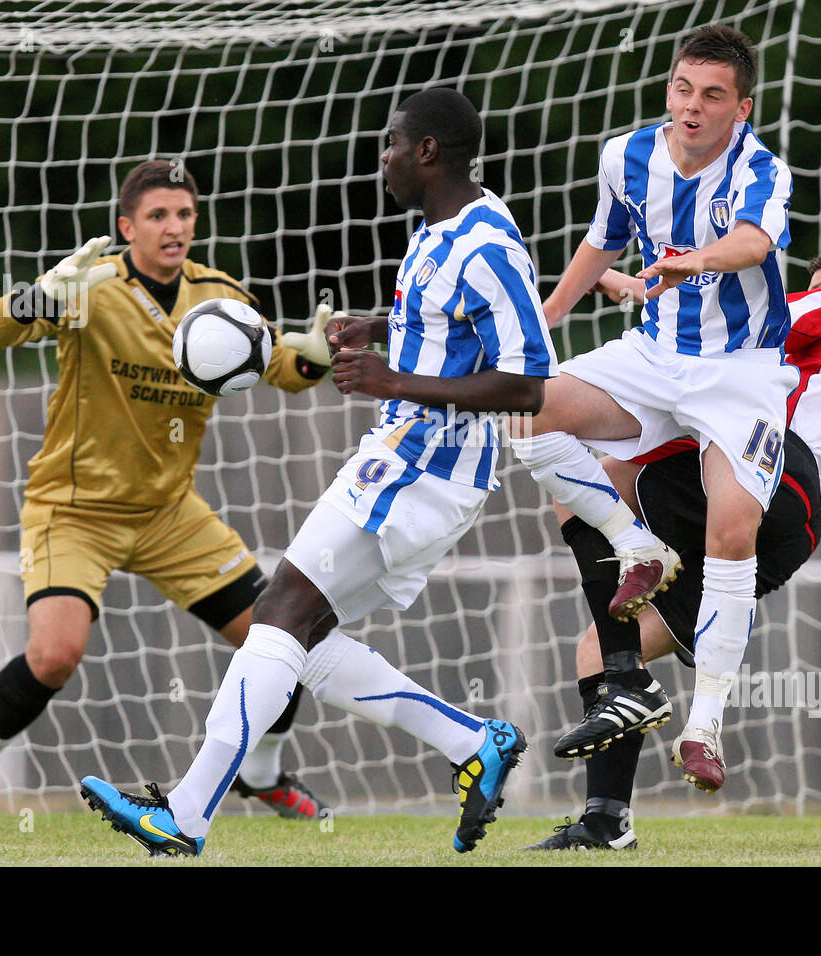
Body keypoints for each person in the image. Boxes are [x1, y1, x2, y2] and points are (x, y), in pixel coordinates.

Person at [78, 87, 559, 856]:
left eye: (392, 143)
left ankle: (186, 814)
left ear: (428, 151)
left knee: (277, 615)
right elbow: (450, 334)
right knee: (302, 631)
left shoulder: (488, 245)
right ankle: (473, 743)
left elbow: (529, 384)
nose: (385, 157)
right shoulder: (439, 231)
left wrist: (392, 381)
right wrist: (379, 328)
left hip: (419, 471)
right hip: (409, 466)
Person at [0, 160, 333, 820]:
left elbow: (283, 366)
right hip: (74, 507)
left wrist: (313, 353)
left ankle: (260, 774)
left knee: (283, 637)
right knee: (56, 654)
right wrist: (39, 296)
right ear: (127, 227)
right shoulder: (89, 287)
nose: (174, 228)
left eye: (184, 216)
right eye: (157, 216)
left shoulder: (221, 296)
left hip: (169, 512)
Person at [524, 244, 821, 849]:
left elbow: (728, 322)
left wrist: (631, 284)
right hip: (792, 534)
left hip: (764, 467)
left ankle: (637, 561)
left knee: (590, 472)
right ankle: (606, 819)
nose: (804, 292)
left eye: (816, 285)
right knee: (602, 647)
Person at [508, 24, 798, 781]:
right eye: (682, 89)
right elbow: (601, 245)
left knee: (734, 531)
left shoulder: (761, 168)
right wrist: (547, 317)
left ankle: (703, 728)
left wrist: (692, 262)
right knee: (519, 409)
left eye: (712, 96)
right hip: (652, 356)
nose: (692, 108)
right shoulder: (626, 155)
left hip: (742, 372)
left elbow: (753, 244)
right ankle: (636, 543)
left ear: (742, 107)